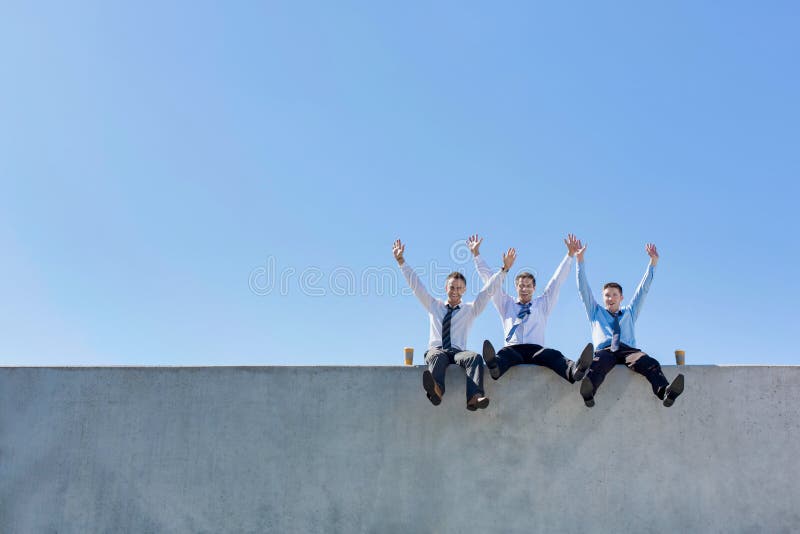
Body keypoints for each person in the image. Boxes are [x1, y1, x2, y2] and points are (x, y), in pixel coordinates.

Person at [393, 238, 514, 411]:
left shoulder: (470, 310)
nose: (455, 291)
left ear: (464, 290)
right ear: (446, 288)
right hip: (437, 350)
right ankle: (436, 390)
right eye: (452, 287)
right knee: (437, 356)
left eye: (459, 288)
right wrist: (401, 262)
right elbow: (416, 286)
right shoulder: (433, 305)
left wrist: (504, 270)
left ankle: (474, 397)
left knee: (474, 357)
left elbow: (488, 291)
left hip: (457, 352)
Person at [468, 234, 593, 385]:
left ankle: (574, 370)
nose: (524, 289)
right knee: (504, 355)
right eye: (521, 285)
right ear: (516, 287)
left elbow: (557, 280)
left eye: (528, 286)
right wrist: (477, 255)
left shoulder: (543, 304)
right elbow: (489, 280)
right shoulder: (506, 303)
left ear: (534, 288)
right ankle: (495, 366)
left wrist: (569, 255)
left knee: (552, 355)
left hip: (536, 350)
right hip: (513, 349)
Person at [575, 241, 684, 408]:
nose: (610, 298)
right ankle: (589, 392)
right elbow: (583, 290)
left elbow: (643, 290)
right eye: (606, 295)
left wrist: (653, 264)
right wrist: (580, 262)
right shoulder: (596, 312)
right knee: (599, 363)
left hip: (628, 351)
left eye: (614, 295)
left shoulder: (630, 312)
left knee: (650, 362)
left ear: (621, 298)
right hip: (606, 350)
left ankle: (665, 392)